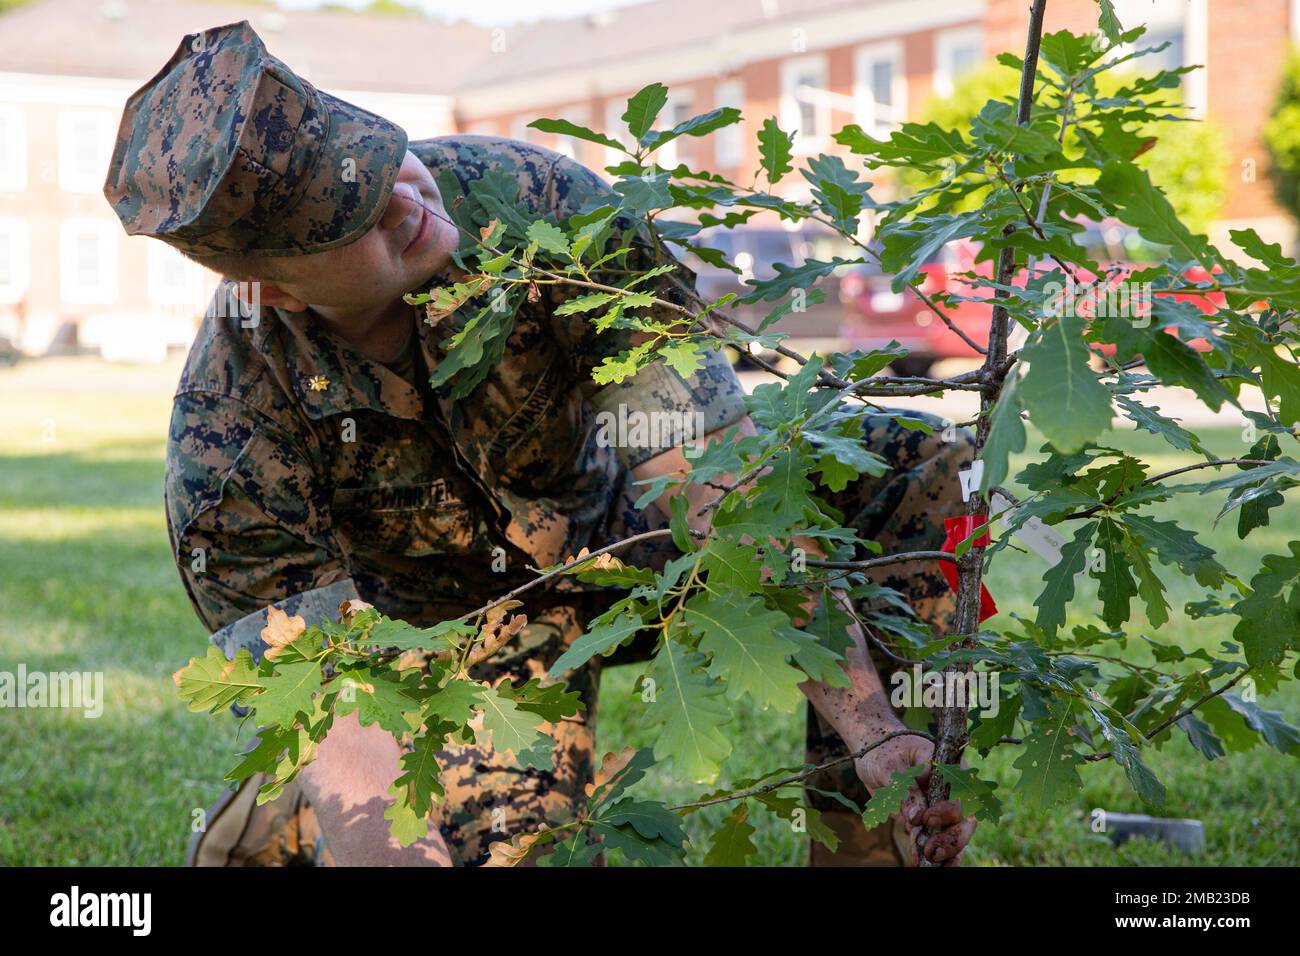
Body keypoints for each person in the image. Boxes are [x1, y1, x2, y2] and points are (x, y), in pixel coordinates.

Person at [105, 20, 977, 867]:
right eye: (356, 220)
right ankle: (290, 823)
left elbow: (713, 480)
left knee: (907, 463)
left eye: (386, 162)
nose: (407, 203)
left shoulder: (533, 205)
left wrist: (873, 727)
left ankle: (872, 850)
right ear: (280, 292)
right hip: (448, 643)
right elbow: (330, 701)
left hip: (617, 535)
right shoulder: (227, 432)